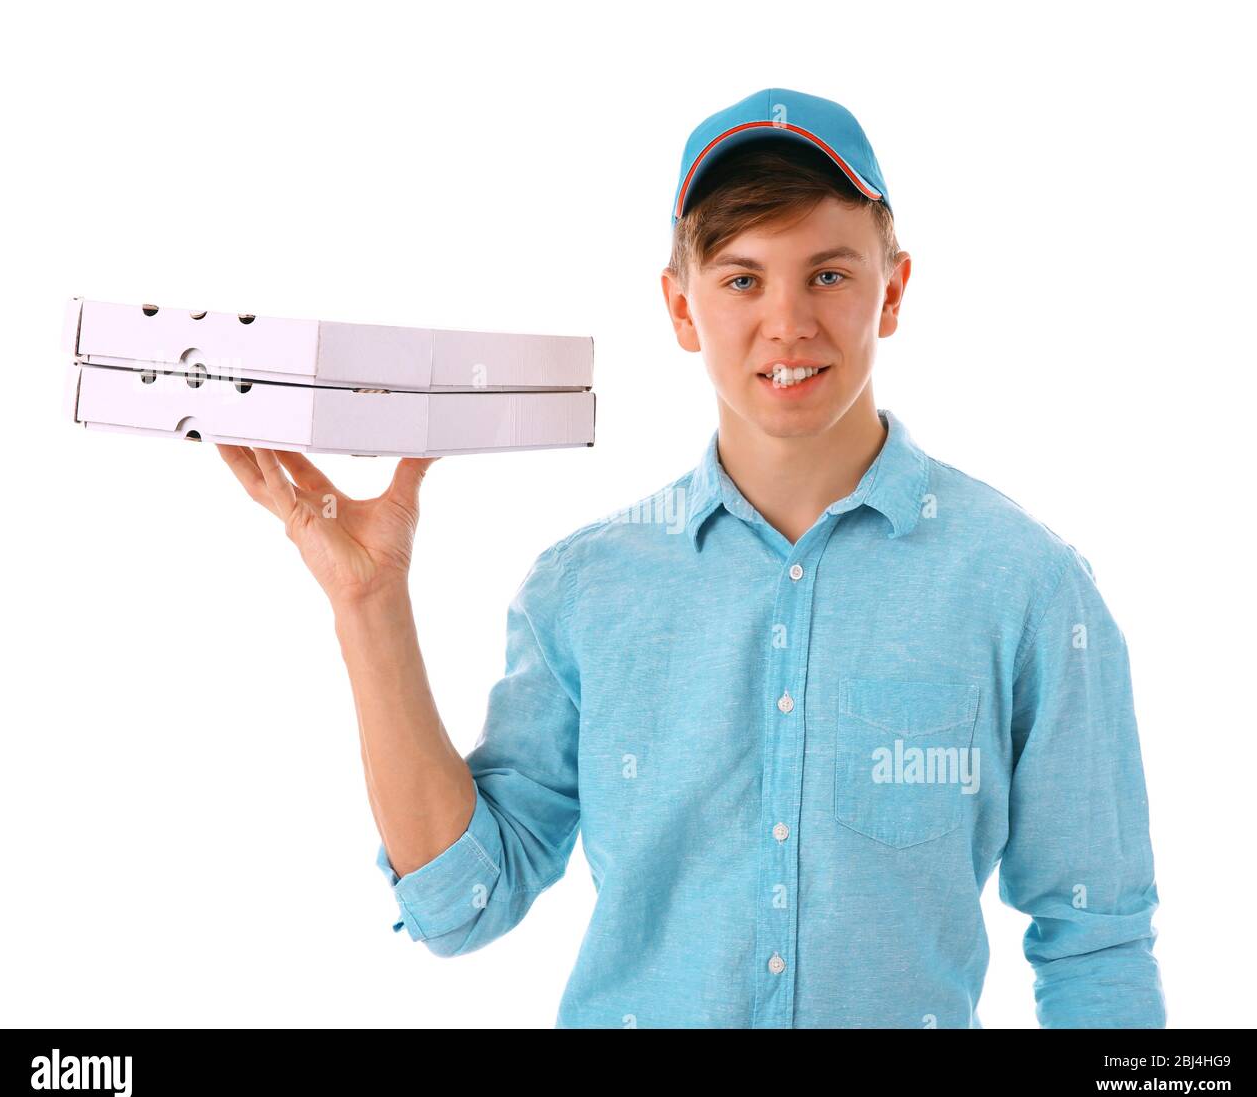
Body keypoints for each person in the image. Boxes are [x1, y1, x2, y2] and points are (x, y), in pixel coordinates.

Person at [217, 87, 1166, 1028]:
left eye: (829, 275)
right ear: (681, 306)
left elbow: (1098, 946)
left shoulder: (1026, 586)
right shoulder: (586, 588)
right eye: (743, 279)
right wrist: (369, 601)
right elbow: (461, 903)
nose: (788, 322)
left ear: (895, 289)